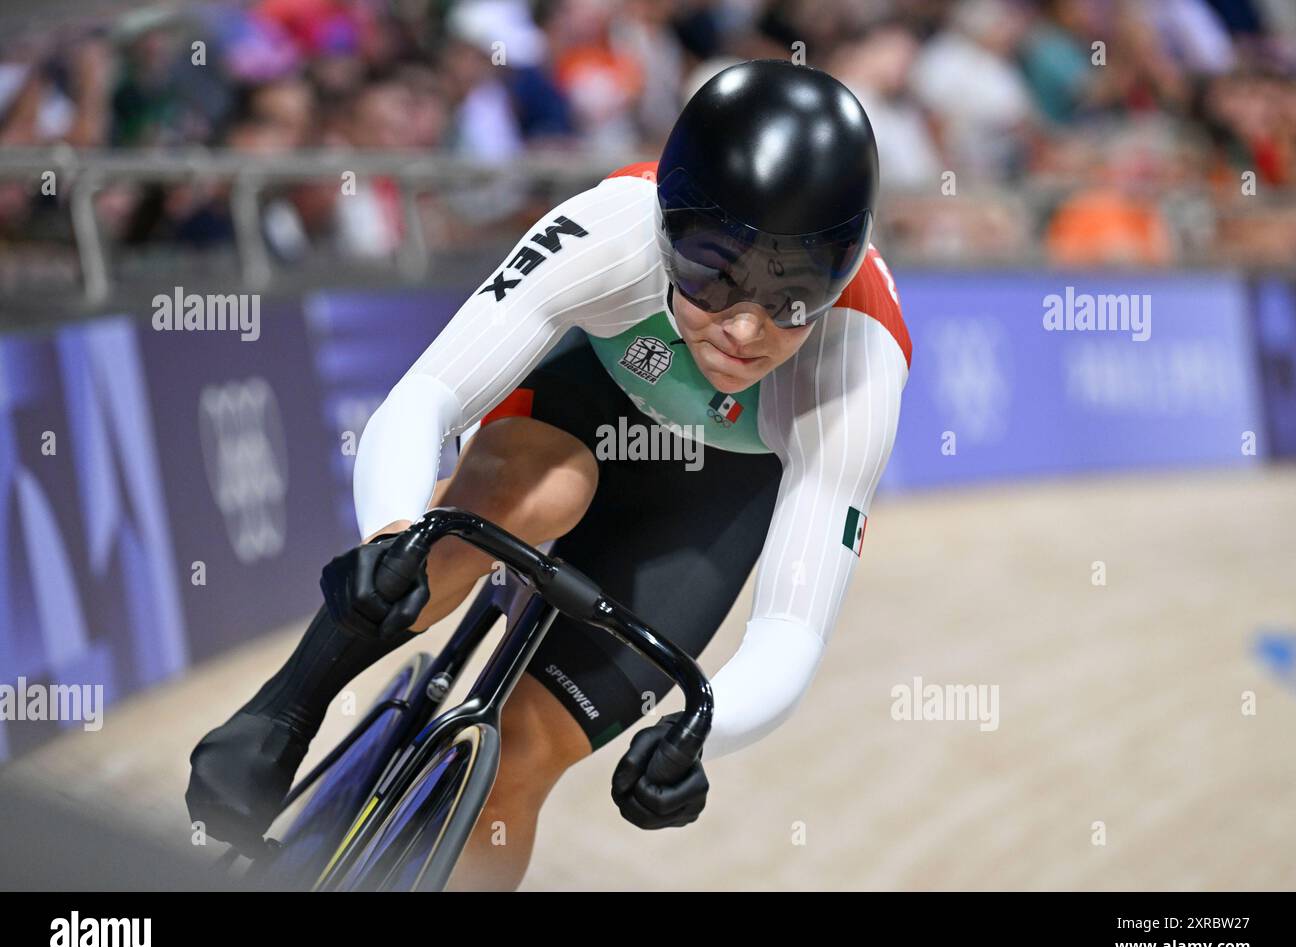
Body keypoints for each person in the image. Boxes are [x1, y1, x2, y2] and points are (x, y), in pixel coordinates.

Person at [186, 59, 911, 890]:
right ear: (667, 228)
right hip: (583, 405)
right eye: (714, 272)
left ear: (841, 277)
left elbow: (792, 627)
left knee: (520, 761)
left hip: (711, 494)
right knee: (524, 493)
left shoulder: (858, 363)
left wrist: (701, 732)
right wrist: (391, 533)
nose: (744, 329)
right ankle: (288, 704)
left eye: (792, 299)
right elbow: (429, 398)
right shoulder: (613, 230)